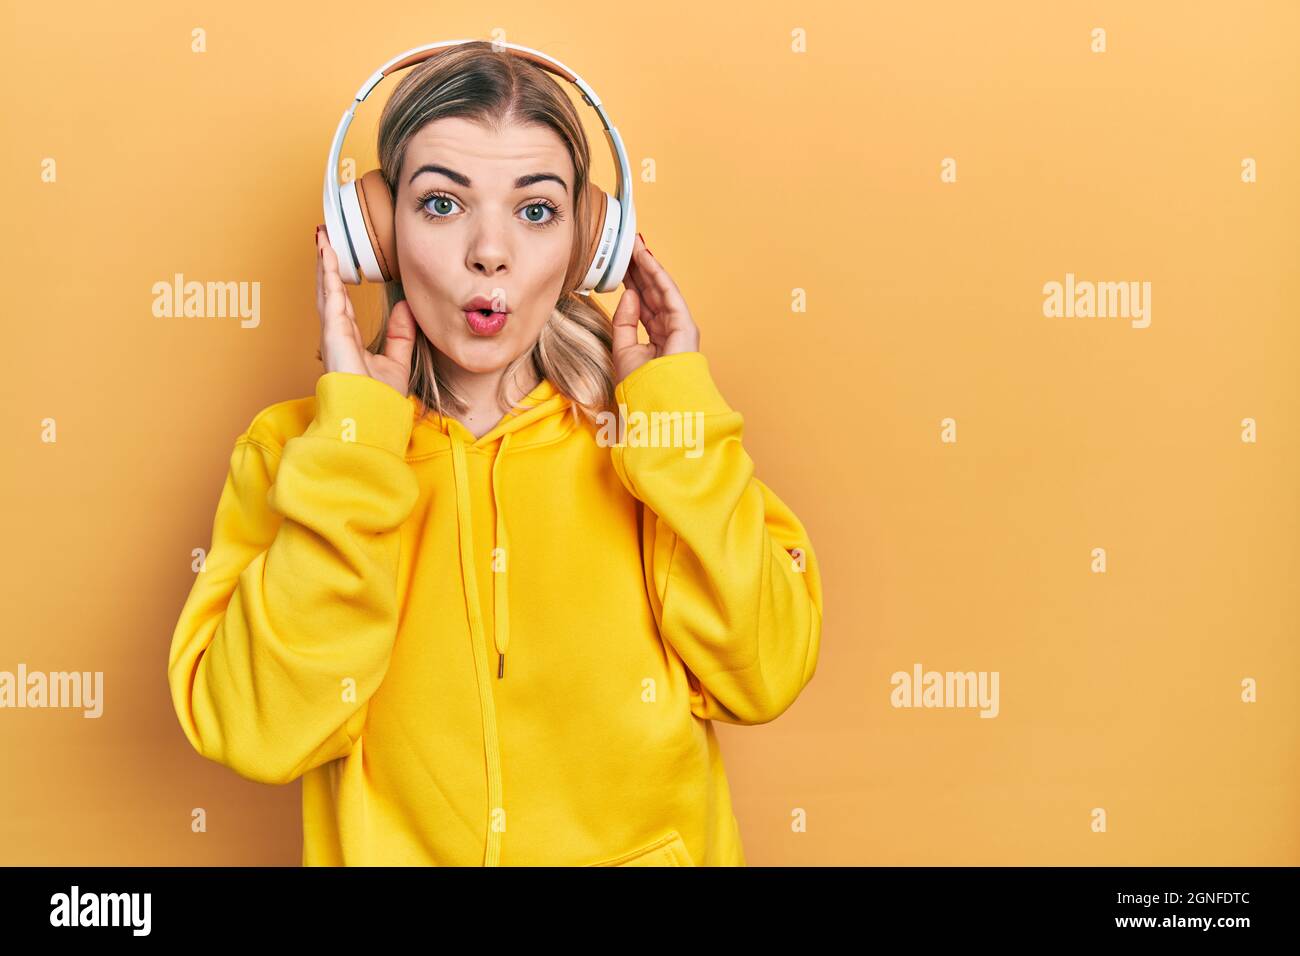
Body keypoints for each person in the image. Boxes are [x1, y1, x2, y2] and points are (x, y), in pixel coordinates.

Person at [166, 40, 823, 866]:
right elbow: (255, 731)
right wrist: (358, 441)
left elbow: (764, 675)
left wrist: (674, 420)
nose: (491, 251)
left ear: (591, 244)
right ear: (374, 234)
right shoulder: (300, 455)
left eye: (536, 210)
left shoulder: (650, 439)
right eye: (442, 204)